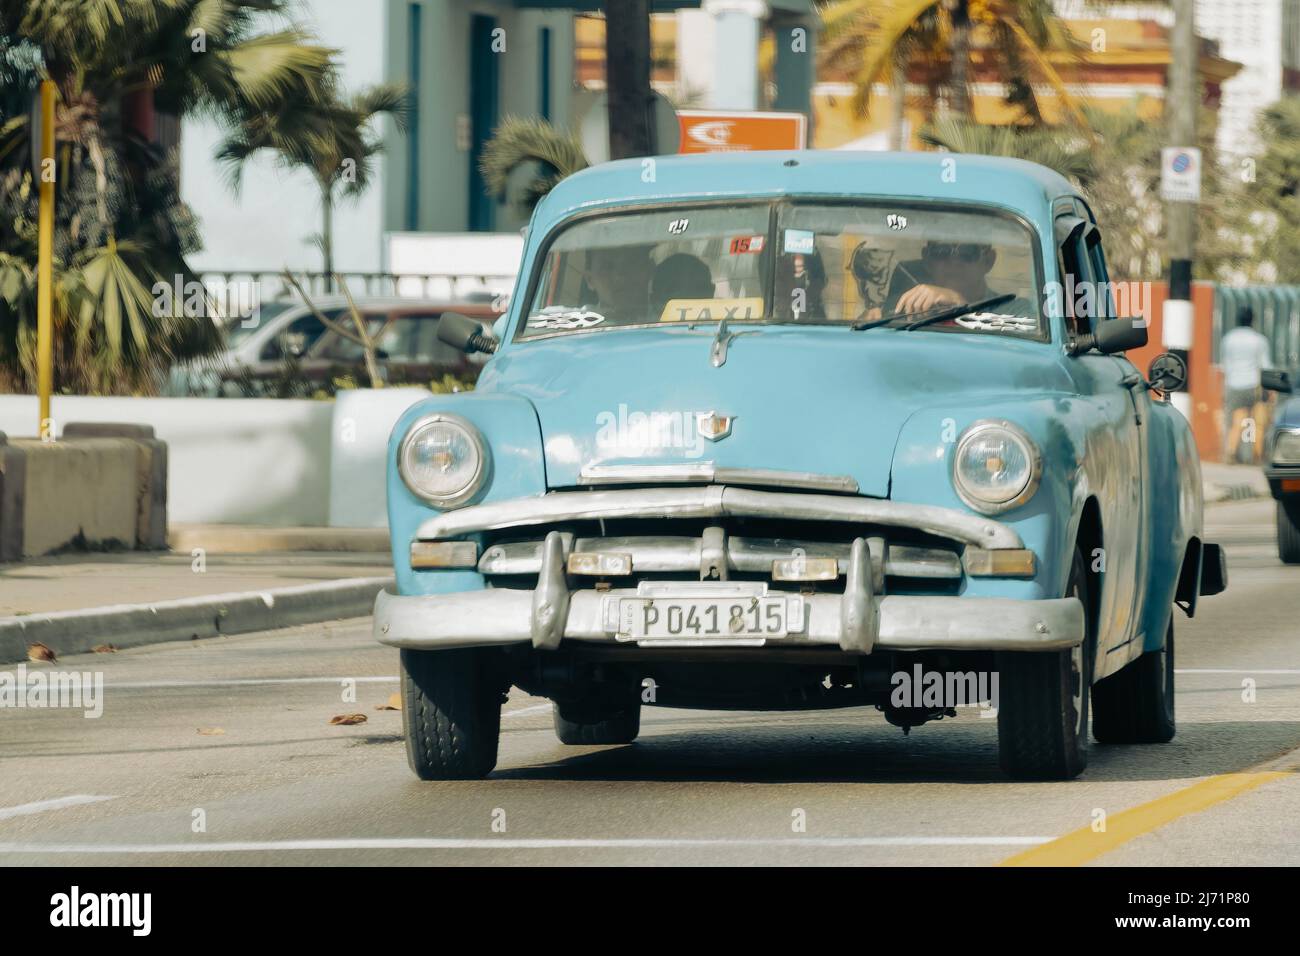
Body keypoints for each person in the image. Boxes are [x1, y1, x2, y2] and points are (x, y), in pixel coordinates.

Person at [1222, 305, 1273, 464]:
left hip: (1234, 384)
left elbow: (1225, 364)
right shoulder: (1259, 340)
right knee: (1258, 421)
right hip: (1253, 385)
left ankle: (1231, 453)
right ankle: (1257, 456)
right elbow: (1265, 366)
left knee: (1238, 420)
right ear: (1252, 320)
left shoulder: (1228, 339)